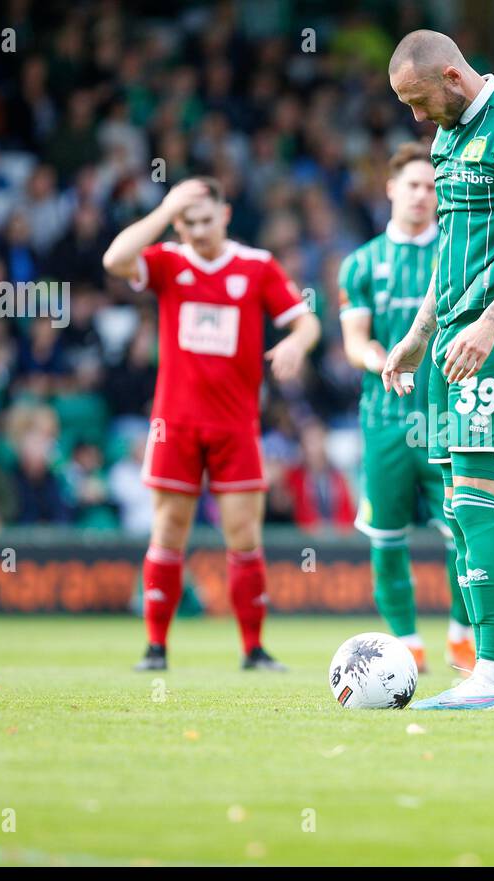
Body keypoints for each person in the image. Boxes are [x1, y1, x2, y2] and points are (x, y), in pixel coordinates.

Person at [382, 30, 494, 710]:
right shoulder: (445, 139)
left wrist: (489, 324)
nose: (414, 116)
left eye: (417, 99)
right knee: (455, 516)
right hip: (447, 341)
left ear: (452, 77)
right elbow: (451, 250)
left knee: (478, 501)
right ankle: (482, 671)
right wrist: (416, 334)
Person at [102, 176, 320, 672]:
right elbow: (114, 260)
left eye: (206, 220)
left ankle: (253, 649)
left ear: (224, 215)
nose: (199, 232)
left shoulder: (256, 266)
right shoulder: (167, 261)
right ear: (178, 224)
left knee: (244, 536)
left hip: (235, 425)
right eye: (188, 223)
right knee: (169, 531)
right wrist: (163, 211)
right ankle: (156, 648)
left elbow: (306, 321)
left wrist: (294, 344)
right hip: (174, 423)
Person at [338, 140, 476, 675]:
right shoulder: (362, 264)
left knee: (463, 528)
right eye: (414, 185)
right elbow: (354, 342)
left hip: (449, 415)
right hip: (386, 420)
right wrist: (383, 363)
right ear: (392, 188)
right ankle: (407, 647)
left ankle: (463, 639)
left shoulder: (459, 252)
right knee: (387, 537)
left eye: (433, 187)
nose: (424, 195)